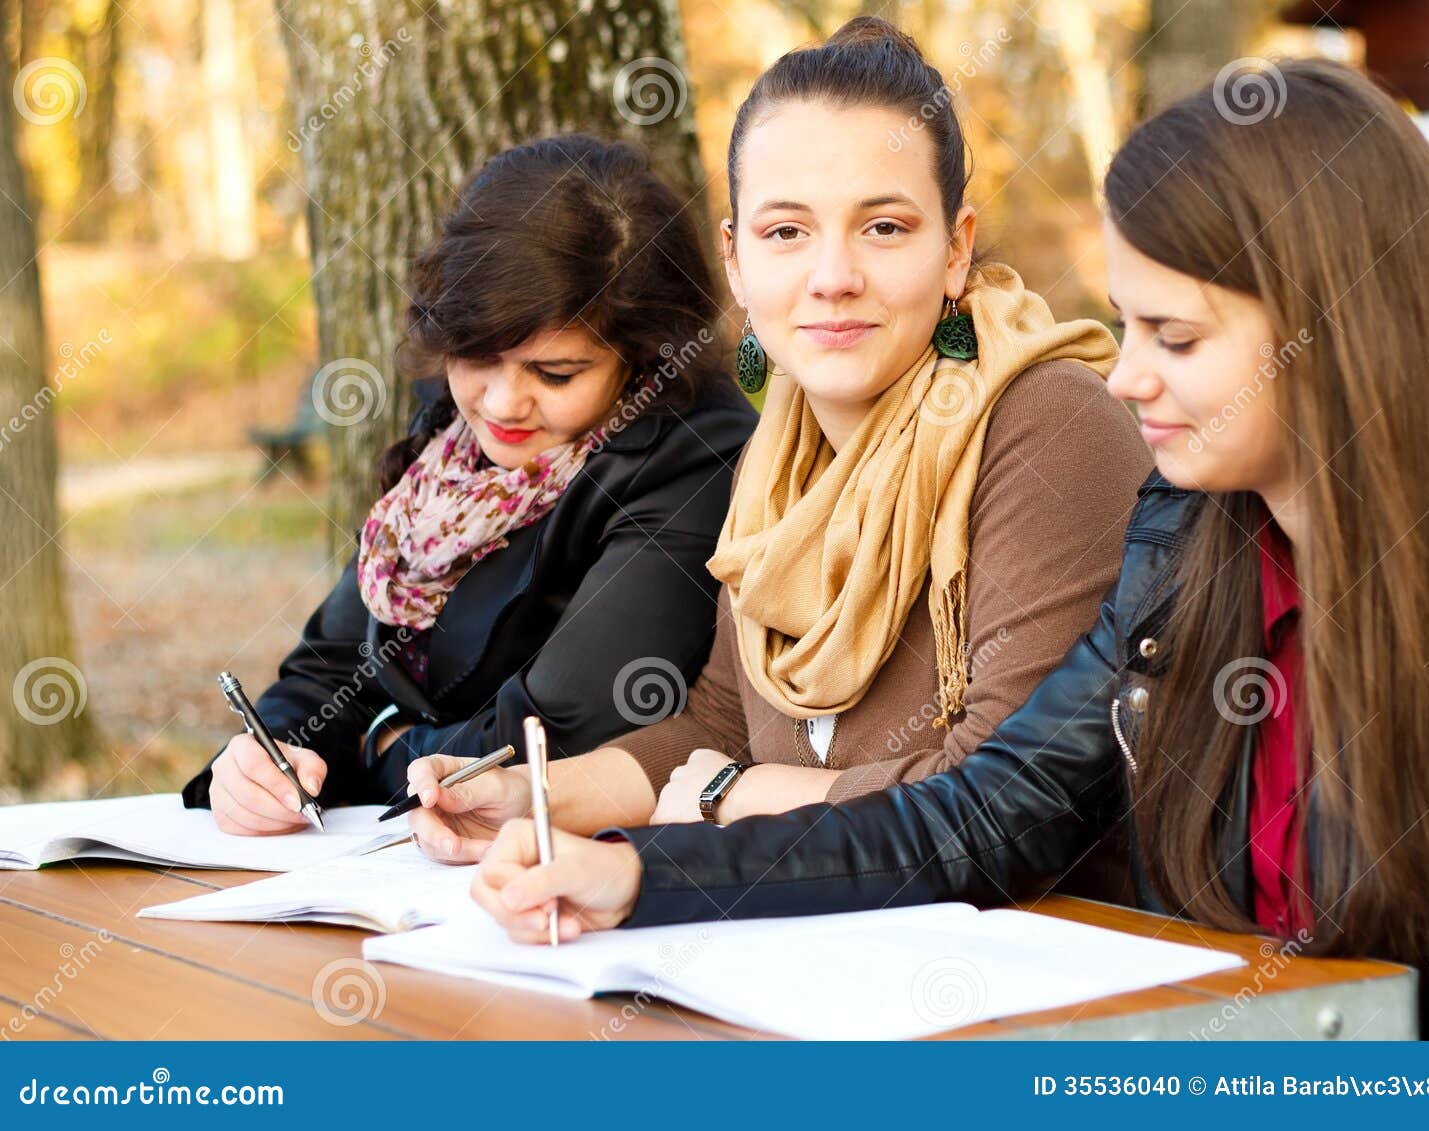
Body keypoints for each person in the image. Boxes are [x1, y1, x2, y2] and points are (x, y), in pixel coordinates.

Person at [465, 60, 1429, 1041]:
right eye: (1129, 322)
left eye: (1175, 337)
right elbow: (990, 813)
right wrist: (641, 874)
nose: (1126, 375)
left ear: (1334, 327)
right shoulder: (1191, 537)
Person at [404, 17, 1151, 861]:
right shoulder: (779, 455)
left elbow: (1007, 798)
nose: (833, 278)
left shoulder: (1049, 422)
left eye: (885, 227)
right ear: (735, 262)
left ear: (956, 249)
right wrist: (530, 796)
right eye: (787, 232)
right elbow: (721, 722)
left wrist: (738, 794)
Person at [184, 135, 755, 832]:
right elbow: (329, 667)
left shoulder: (692, 457)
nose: (502, 403)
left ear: (640, 358)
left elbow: (550, 739)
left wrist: (371, 747)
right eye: (478, 355)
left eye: (555, 373)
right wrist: (269, 756)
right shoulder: (454, 432)